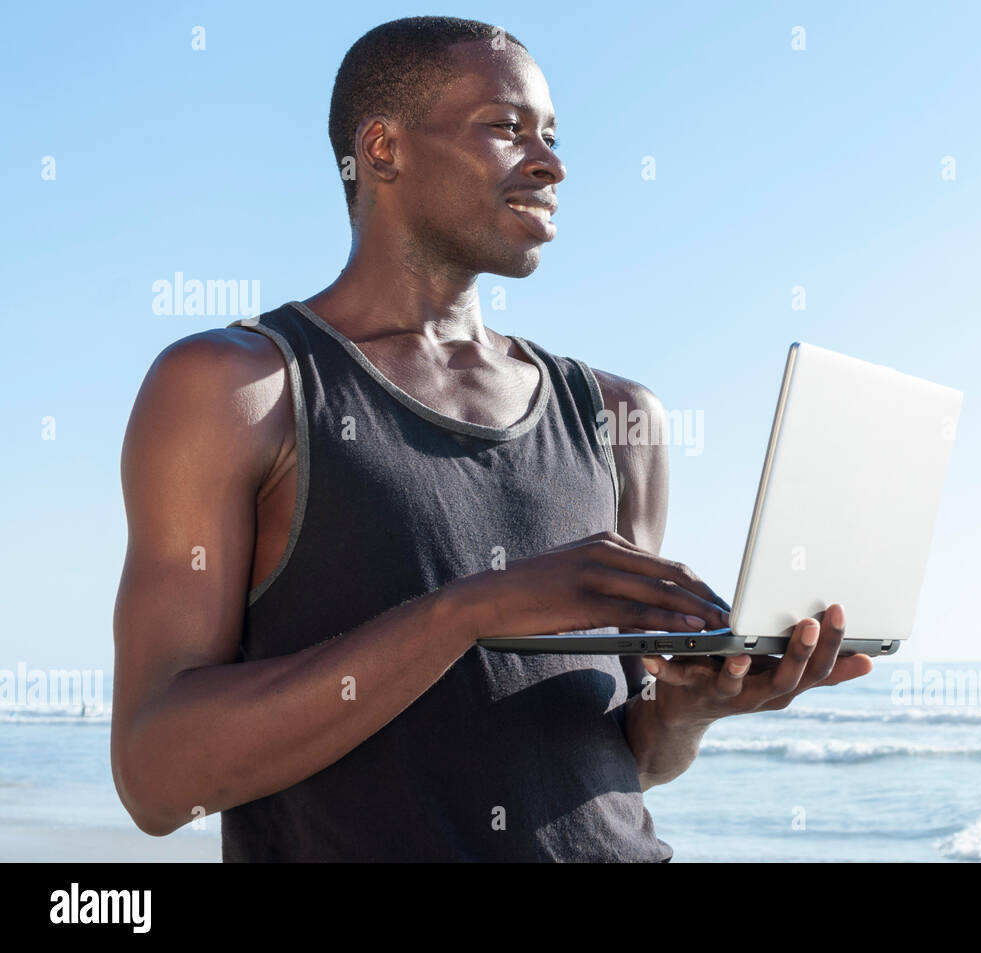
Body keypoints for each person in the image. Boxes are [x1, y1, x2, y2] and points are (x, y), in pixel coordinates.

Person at [111, 15, 872, 862]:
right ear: (384, 149)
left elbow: (626, 757)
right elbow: (155, 779)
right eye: (508, 129)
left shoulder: (620, 416)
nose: (551, 162)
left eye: (551, 135)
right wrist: (472, 610)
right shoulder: (237, 386)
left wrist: (687, 711)